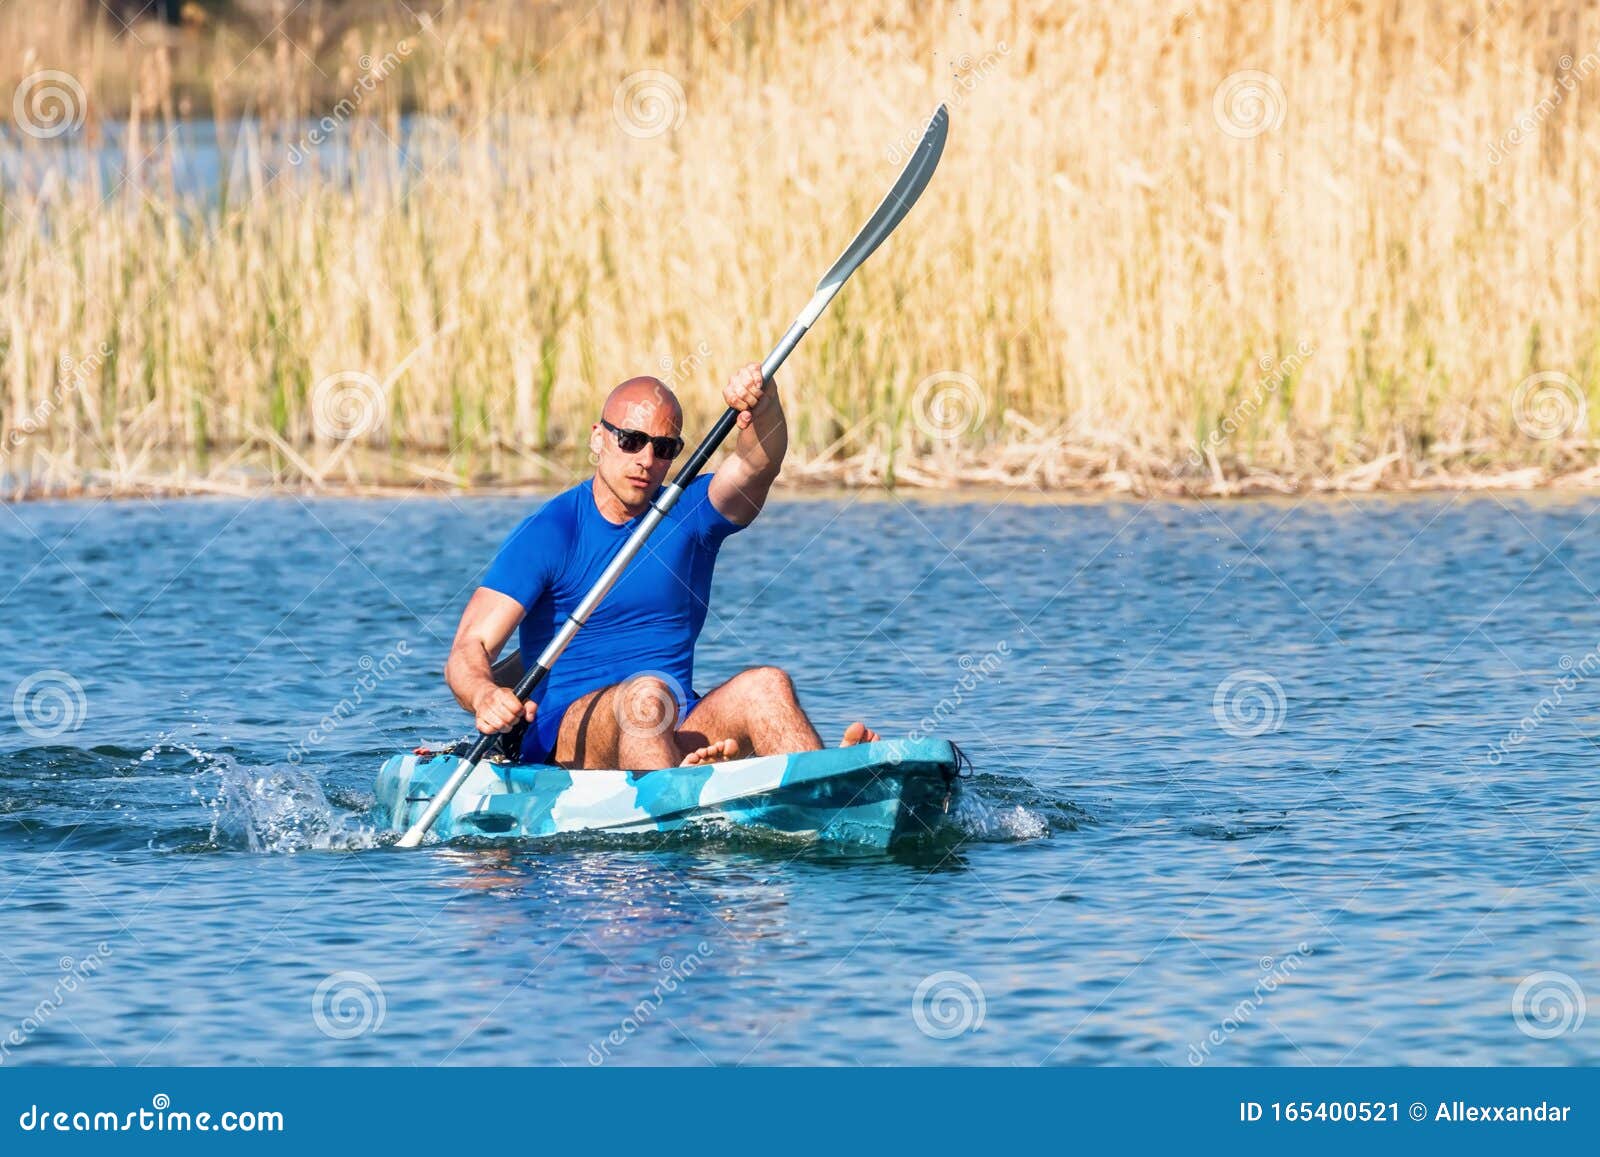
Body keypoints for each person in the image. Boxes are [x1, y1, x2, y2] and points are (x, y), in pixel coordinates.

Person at [444, 364, 879, 769]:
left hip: (675, 720)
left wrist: (764, 404)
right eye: (631, 440)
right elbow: (470, 647)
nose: (647, 460)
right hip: (568, 737)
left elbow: (756, 464)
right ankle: (680, 811)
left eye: (665, 448)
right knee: (645, 698)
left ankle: (828, 792)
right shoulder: (550, 532)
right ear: (598, 438)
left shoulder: (688, 514)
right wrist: (485, 695)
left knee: (767, 685)